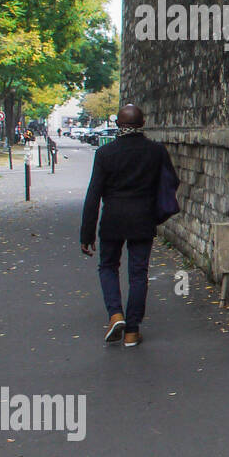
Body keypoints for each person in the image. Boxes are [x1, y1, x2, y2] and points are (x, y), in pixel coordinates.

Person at [79, 104, 178, 347]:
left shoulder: (105, 154)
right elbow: (171, 181)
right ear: (142, 124)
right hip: (143, 219)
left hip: (113, 219)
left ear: (117, 125)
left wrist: (87, 232)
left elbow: (93, 195)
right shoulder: (156, 152)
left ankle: (115, 315)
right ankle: (132, 331)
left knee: (108, 267)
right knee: (138, 273)